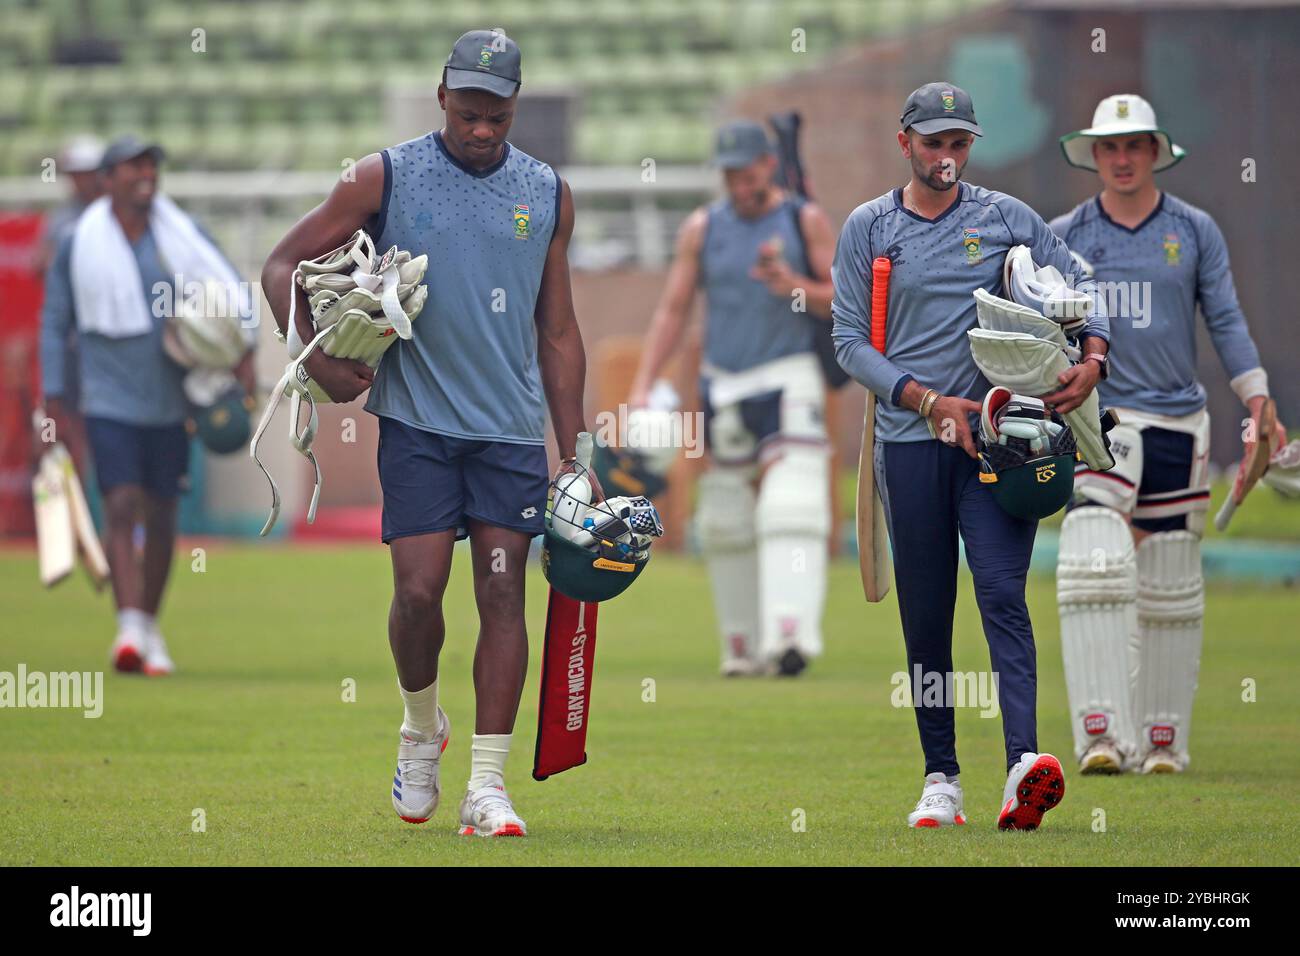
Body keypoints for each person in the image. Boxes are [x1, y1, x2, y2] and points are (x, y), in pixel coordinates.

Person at [261, 30, 595, 838]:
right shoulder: (385, 174)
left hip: (509, 434)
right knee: (415, 594)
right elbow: (281, 266)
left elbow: (558, 331)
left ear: (516, 107)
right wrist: (316, 362)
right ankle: (420, 731)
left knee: (504, 589)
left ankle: (486, 784)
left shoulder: (548, 191)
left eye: (500, 116)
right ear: (442, 95)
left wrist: (576, 453)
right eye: (470, 113)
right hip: (415, 424)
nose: (483, 130)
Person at [832, 83, 1109, 830]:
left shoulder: (1007, 218)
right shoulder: (869, 228)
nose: (946, 156)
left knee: (1001, 597)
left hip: (1000, 444)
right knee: (927, 616)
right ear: (906, 144)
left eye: (958, 144)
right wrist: (925, 401)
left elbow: (1081, 284)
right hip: (910, 446)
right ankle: (941, 779)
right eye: (933, 143)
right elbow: (849, 342)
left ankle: (1024, 763)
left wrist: (1093, 356)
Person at [1051, 94, 1286, 775]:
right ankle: (1099, 734)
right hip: (1106, 413)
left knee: (1167, 576)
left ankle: (1160, 740)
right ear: (1093, 154)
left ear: (1156, 151)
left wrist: (1259, 398)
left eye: (1135, 145)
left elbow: (1228, 320)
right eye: (1109, 147)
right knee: (1094, 552)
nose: (1122, 159)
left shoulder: (1194, 230)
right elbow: (1034, 320)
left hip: (1180, 418)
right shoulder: (1064, 234)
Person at [628, 120, 838, 677]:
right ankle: (741, 645)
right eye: (729, 174)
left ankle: (791, 635)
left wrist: (791, 284)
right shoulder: (703, 227)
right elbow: (673, 310)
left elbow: (845, 301)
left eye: (747, 172)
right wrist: (645, 381)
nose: (738, 184)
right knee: (723, 514)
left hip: (789, 372)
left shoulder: (803, 218)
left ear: (768, 165)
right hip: (724, 379)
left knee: (792, 502)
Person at [40, 135, 255, 676]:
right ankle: (128, 626)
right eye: (133, 166)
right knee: (119, 502)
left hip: (172, 397)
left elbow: (227, 293)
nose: (145, 174)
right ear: (107, 178)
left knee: (161, 511)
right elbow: (54, 321)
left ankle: (149, 625)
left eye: (151, 165)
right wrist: (54, 395)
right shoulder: (77, 241)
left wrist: (244, 353)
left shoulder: (180, 235)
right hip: (107, 396)